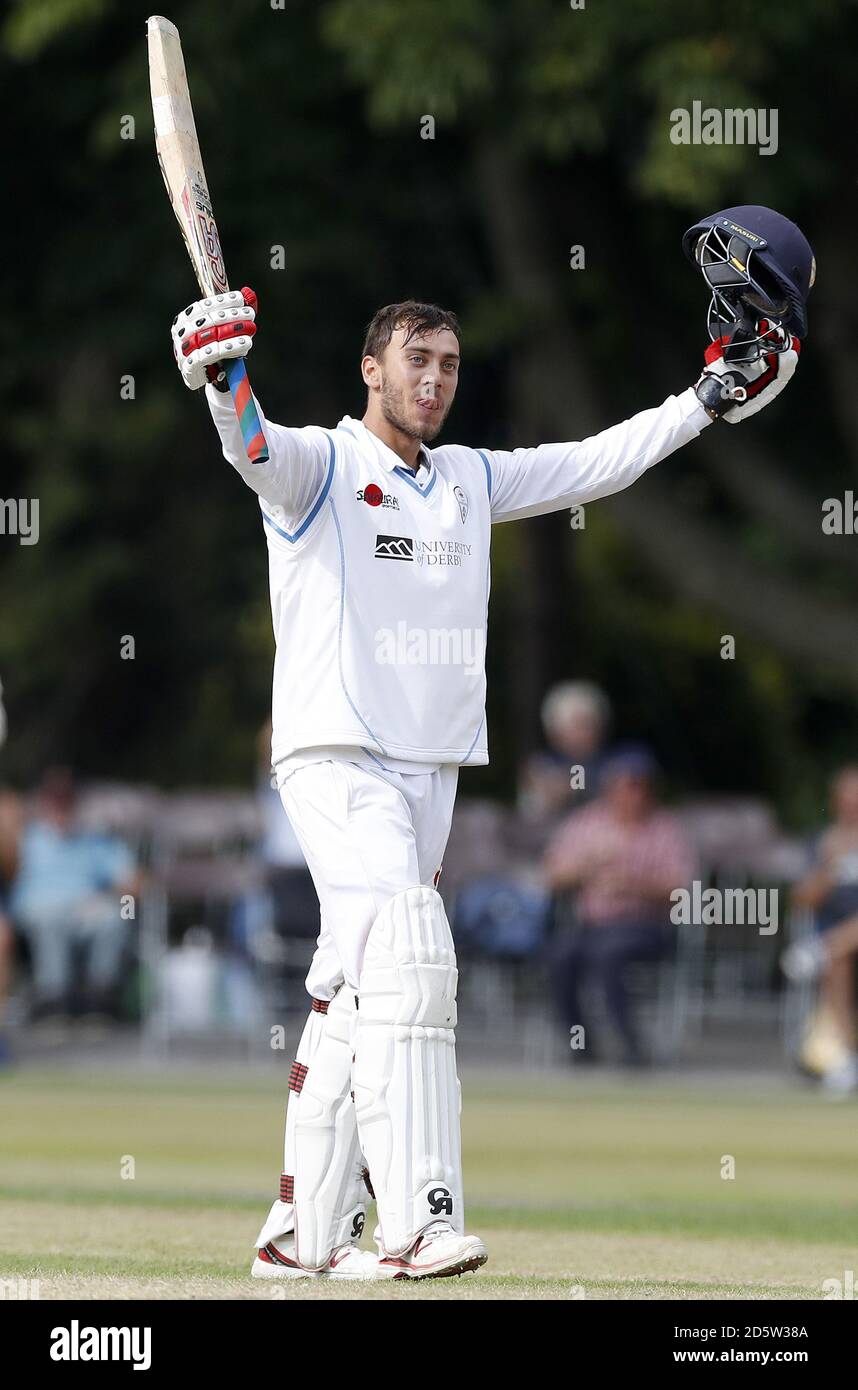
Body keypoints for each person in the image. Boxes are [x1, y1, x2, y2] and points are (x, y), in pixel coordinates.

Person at [170, 229, 804, 1280]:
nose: (433, 378)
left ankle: (301, 1238)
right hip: (335, 756)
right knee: (412, 956)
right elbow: (251, 449)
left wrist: (704, 398)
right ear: (371, 369)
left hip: (428, 771)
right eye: (414, 359)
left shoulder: (468, 477)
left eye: (449, 364)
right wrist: (222, 376)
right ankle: (420, 1218)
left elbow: (598, 459)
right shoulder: (325, 465)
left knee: (349, 993)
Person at [544, 745, 695, 1066]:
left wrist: (633, 884)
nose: (634, 795)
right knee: (560, 955)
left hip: (646, 927)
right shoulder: (586, 824)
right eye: (627, 785)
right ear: (610, 788)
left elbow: (681, 889)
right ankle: (580, 1043)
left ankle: (630, 1045)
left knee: (609, 954)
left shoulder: (665, 829)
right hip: (592, 925)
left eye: (641, 786)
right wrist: (587, 868)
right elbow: (553, 875)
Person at [10, 768, 139, 1020]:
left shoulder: (96, 839)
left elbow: (132, 882)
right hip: (37, 910)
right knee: (50, 922)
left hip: (87, 908)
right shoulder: (26, 837)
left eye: (66, 799)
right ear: (43, 801)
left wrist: (126, 907)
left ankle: (102, 996)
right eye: (54, 799)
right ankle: (52, 999)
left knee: (118, 916)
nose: (61, 806)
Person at [784, 766, 858, 1094]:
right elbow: (803, 899)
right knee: (838, 962)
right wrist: (833, 866)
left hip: (831, 941)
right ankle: (849, 1057)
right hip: (840, 945)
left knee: (831, 951)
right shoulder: (823, 842)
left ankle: (826, 947)